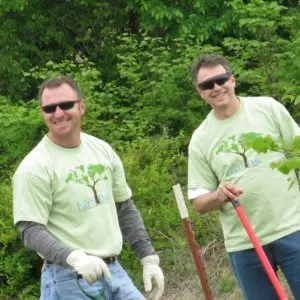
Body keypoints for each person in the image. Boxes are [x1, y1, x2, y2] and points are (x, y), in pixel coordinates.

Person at [13, 76, 164, 300]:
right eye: (49, 108)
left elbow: (124, 207)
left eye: (66, 105)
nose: (58, 113)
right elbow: (30, 230)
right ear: (42, 112)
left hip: (114, 272)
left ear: (81, 106)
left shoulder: (102, 150)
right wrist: (75, 258)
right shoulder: (34, 167)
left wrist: (148, 257)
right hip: (68, 278)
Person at [188, 53, 300, 299]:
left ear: (233, 80)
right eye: (207, 85)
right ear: (200, 93)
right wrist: (218, 195)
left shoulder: (267, 108)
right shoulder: (201, 139)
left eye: (221, 79)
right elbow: (198, 202)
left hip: (293, 229)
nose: (216, 88)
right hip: (245, 245)